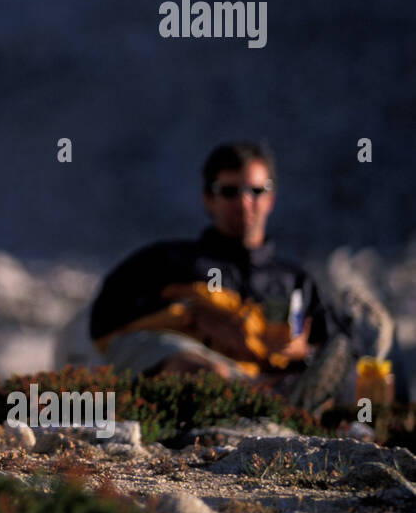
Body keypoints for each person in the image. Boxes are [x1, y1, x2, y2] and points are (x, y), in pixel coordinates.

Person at [88, 141, 348, 408]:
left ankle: (270, 399)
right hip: (187, 365)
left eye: (257, 190)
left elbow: (337, 349)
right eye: (230, 191)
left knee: (312, 383)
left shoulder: (294, 281)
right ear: (208, 198)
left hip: (264, 377)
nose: (245, 202)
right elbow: (104, 320)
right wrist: (191, 316)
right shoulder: (168, 261)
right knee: (205, 373)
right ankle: (262, 403)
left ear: (271, 198)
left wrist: (303, 352)